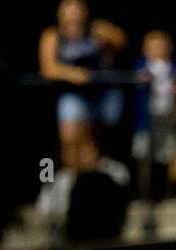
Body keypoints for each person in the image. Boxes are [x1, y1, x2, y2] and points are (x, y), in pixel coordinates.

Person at [38, 0, 128, 175]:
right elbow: (48, 67)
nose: (73, 15)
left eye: (76, 10)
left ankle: (93, 185)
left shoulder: (96, 29)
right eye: (68, 10)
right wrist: (73, 74)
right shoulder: (53, 35)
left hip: (103, 94)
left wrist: (107, 36)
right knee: (70, 139)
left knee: (92, 145)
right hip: (73, 93)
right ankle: (73, 183)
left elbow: (121, 42)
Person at [131, 30, 176, 199]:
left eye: (161, 46)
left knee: (169, 155)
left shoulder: (174, 68)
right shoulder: (140, 66)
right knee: (144, 156)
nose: (157, 50)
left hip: (167, 120)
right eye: (153, 47)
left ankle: (169, 192)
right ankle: (143, 193)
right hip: (145, 121)